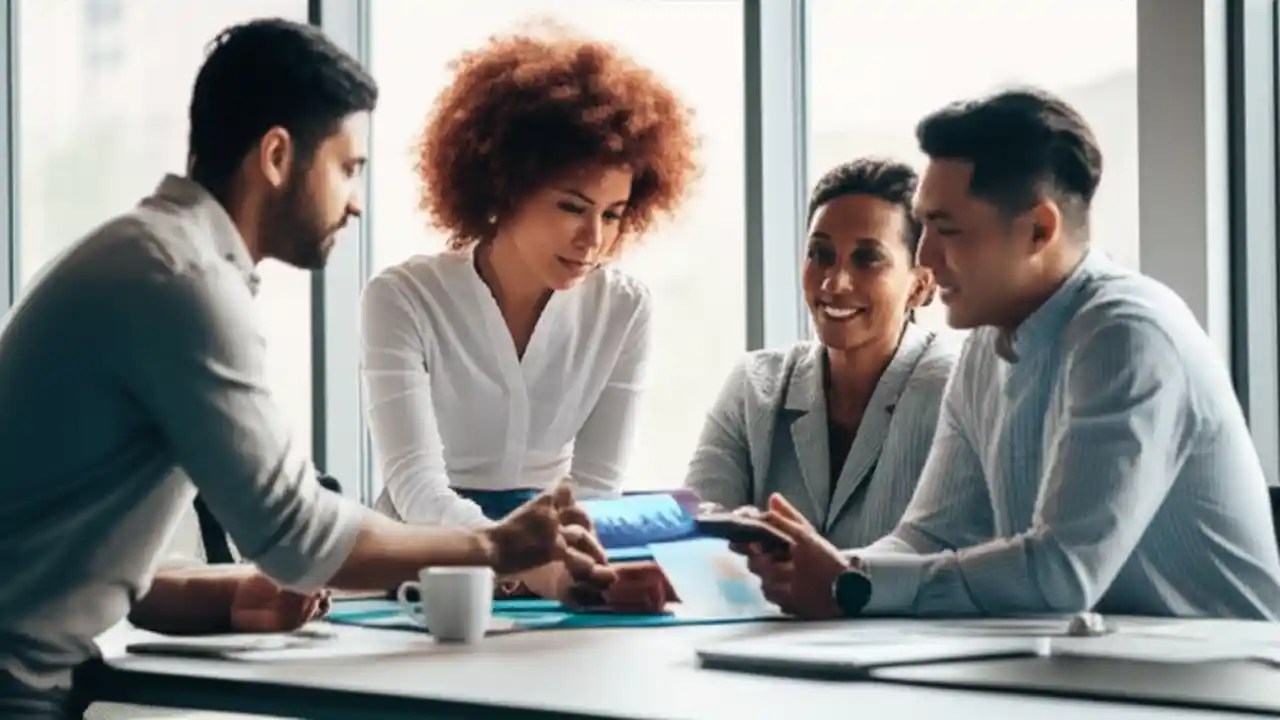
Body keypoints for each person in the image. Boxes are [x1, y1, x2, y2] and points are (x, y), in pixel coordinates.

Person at [0, 19, 612, 716]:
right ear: (278, 156)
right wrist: (494, 547)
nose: (356, 202)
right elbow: (295, 534)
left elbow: (96, 570)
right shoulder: (181, 282)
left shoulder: (152, 258)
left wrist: (234, 593)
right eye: (348, 169)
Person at [739, 88, 1280, 621]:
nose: (925, 257)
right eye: (923, 225)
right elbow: (929, 535)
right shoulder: (985, 343)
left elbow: (1061, 573)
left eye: (946, 229)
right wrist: (830, 568)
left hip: (1219, 687)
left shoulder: (1127, 336)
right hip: (1092, 669)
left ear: (1039, 230)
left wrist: (852, 582)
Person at [361, 28, 697, 532]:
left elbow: (597, 488)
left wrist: (561, 561)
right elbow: (415, 485)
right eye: (571, 208)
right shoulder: (403, 299)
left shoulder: (623, 308)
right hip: (428, 553)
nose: (594, 239)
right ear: (504, 188)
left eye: (612, 215)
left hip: (555, 549)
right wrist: (508, 554)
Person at [686, 158, 955, 549]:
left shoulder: (957, 393)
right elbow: (698, 538)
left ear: (920, 286)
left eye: (868, 259)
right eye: (820, 254)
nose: (834, 282)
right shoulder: (753, 387)